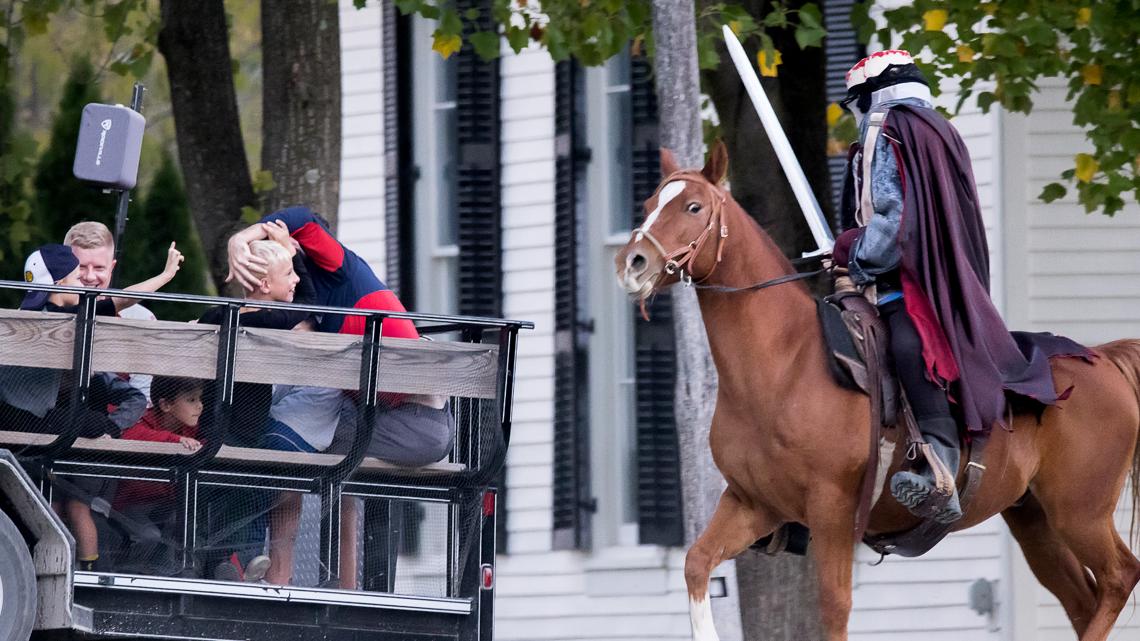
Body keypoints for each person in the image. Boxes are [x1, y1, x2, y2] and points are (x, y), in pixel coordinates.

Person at [833, 50, 1087, 524]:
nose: (854, 113)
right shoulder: (933, 128)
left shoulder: (890, 130)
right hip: (923, 272)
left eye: (855, 103)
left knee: (911, 343)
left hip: (909, 280)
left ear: (869, 97)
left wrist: (855, 252)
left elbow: (895, 220)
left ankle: (941, 467)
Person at [227, 207, 454, 589]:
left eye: (287, 265)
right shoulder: (310, 301)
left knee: (288, 442)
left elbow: (301, 216)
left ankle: (274, 569)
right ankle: (321, 580)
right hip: (393, 414)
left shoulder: (342, 269)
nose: (292, 277)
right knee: (298, 438)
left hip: (416, 422)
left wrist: (241, 238)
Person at [2, 242, 183, 568]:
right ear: (59, 285)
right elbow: (123, 298)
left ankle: (44, 560)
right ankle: (77, 565)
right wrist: (166, 275)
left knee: (77, 436)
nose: (83, 285)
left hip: (15, 415)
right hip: (26, 421)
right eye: (75, 278)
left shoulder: (26, 315)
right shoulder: (67, 318)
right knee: (89, 425)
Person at [197, 225, 320, 582]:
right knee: (247, 493)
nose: (295, 279)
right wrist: (291, 249)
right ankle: (237, 562)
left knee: (225, 500)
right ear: (265, 285)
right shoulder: (271, 320)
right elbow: (313, 305)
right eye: (288, 274)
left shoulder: (218, 315)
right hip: (245, 433)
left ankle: (227, 562)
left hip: (210, 429)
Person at [112, 376, 202, 574]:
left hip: (161, 503)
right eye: (191, 400)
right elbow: (132, 436)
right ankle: (125, 575)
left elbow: (203, 443)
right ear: (166, 405)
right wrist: (175, 440)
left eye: (199, 399)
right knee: (149, 535)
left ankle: (168, 574)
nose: (199, 406)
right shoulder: (142, 418)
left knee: (185, 523)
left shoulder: (190, 428)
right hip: (127, 505)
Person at [64, 221, 157, 402]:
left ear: (112, 267)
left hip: (120, 417)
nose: (90, 276)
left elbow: (142, 395)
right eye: (81, 267)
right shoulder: (47, 311)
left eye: (99, 268)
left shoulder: (141, 318)